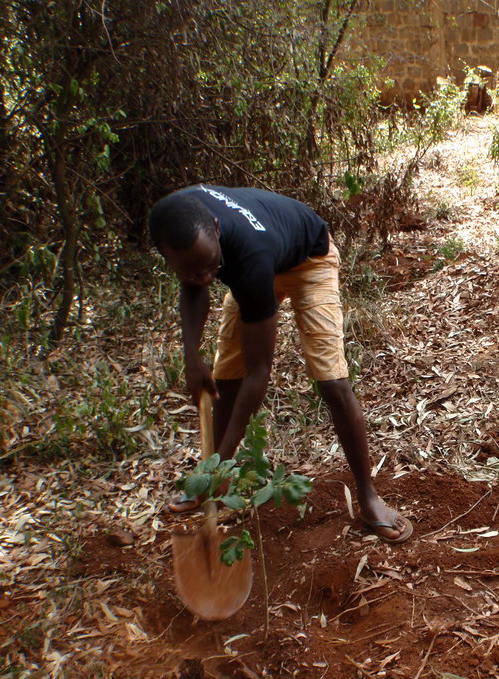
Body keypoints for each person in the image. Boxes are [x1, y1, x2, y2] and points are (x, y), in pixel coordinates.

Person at [149, 184, 412, 543]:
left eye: (212, 267)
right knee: (226, 377)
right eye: (194, 272)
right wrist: (192, 357)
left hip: (308, 259)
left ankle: (368, 497)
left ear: (216, 228)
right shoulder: (176, 221)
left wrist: (225, 459)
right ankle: (207, 478)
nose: (207, 279)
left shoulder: (248, 257)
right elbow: (193, 285)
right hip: (258, 259)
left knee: (332, 383)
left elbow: (260, 373)